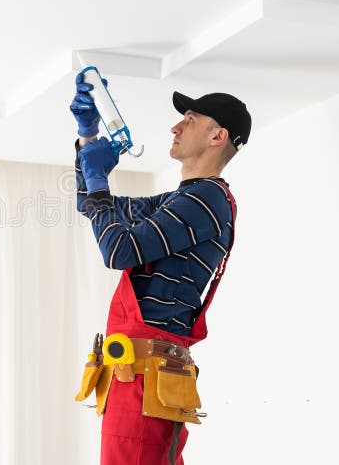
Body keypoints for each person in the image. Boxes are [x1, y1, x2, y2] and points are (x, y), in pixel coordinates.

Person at [70, 72, 252, 465]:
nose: (176, 126)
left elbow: (118, 249)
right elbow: (92, 204)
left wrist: (99, 175)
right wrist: (87, 135)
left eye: (189, 119)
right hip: (135, 375)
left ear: (217, 136)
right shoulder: (179, 200)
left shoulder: (206, 201)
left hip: (146, 377)